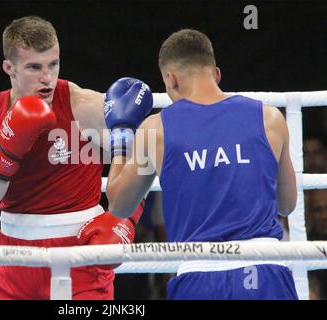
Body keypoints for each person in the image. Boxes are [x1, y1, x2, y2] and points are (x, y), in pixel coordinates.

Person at [0, 16, 150, 300]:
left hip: (81, 258)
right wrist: (9, 150)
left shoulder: (83, 106)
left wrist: (125, 219)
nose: (47, 77)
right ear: (9, 68)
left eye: (53, 64)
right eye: (34, 67)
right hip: (15, 260)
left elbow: (144, 156)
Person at [105, 29, 298, 299]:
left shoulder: (156, 129)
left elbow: (119, 205)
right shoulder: (270, 118)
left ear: (171, 79)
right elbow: (287, 204)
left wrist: (122, 134)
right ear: (216, 73)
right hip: (266, 272)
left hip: (200, 277)